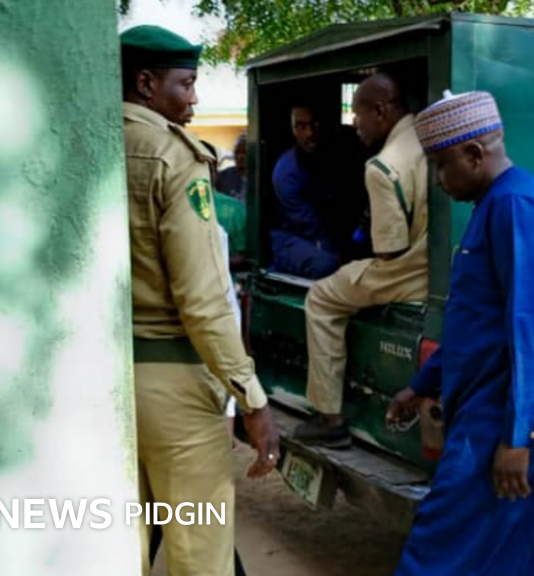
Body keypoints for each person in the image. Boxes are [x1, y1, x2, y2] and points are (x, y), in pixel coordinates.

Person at [385, 91, 534, 576]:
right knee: (518, 547)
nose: (438, 180)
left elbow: (532, 329)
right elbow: (478, 321)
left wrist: (519, 437)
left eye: (441, 166)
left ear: (475, 155)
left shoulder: (516, 207)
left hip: (501, 411)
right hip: (492, 404)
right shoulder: (493, 204)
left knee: (439, 546)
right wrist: (422, 384)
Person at [119, 24, 279, 576]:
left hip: (106, 384)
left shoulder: (85, 143)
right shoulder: (173, 156)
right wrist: (252, 399)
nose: (194, 99)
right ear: (145, 83)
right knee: (200, 555)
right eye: (186, 85)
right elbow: (204, 300)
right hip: (177, 386)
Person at [293, 72, 429, 447]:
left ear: (381, 111)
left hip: (406, 273)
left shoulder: (382, 166)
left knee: (321, 297)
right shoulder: (426, 131)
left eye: (357, 113)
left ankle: (330, 417)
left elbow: (389, 250)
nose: (354, 123)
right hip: (436, 268)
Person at [269, 104, 340, 279]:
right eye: (301, 126)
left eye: (314, 125)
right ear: (293, 129)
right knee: (329, 264)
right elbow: (311, 226)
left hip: (323, 233)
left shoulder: (332, 156)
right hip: (292, 237)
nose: (309, 133)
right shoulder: (286, 171)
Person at [217, 133, 248, 203]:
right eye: (237, 153)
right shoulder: (224, 176)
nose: (240, 157)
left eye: (244, 152)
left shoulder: (258, 178)